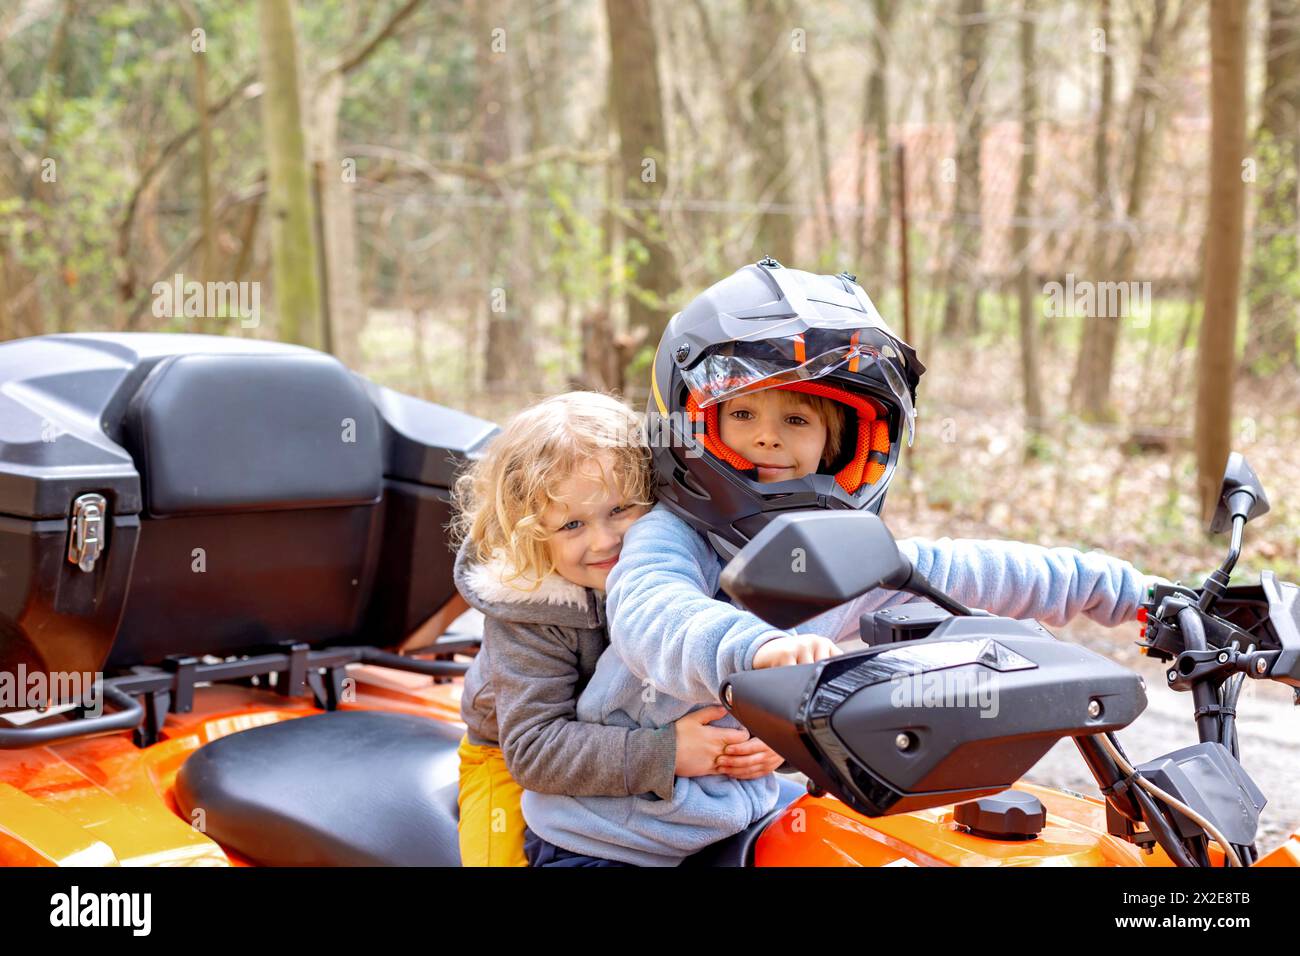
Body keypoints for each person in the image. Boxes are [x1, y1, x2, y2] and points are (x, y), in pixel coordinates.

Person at [520, 260, 1167, 866]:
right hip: (607, 838)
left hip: (742, 821)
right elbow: (656, 616)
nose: (768, 434)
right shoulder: (672, 535)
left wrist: (1139, 595)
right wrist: (754, 651)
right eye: (742, 412)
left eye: (796, 417)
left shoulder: (843, 553)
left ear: (845, 442)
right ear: (695, 422)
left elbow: (981, 571)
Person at [452, 390, 783, 867]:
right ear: (528, 533)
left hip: (634, 736)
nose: (605, 541)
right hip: (510, 752)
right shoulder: (525, 610)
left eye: (620, 510)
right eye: (571, 525)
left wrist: (769, 744)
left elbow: (713, 660)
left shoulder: (671, 570)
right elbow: (534, 749)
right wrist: (663, 756)